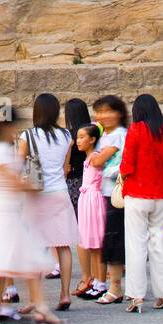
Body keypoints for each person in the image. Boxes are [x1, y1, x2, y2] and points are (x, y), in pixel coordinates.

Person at [0, 106, 60, 324]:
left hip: (7, 212)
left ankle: (40, 307)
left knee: (28, 260)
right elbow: (10, 180)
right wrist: (31, 187)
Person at [19, 93, 79, 310]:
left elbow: (19, 165)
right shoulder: (66, 136)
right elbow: (65, 168)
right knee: (63, 246)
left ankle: (35, 298)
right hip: (59, 192)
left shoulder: (28, 136)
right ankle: (65, 294)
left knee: (35, 246)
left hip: (37, 195)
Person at [120, 94, 163, 312]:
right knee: (160, 244)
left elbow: (127, 165)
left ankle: (136, 295)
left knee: (136, 245)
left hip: (137, 192)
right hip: (161, 192)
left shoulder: (136, 129)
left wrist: (123, 178)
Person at [88, 95, 128, 303]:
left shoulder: (119, 135)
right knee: (112, 240)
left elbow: (97, 160)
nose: (102, 116)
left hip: (116, 194)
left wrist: (96, 157)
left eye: (107, 111)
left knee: (114, 240)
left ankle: (115, 288)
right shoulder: (106, 135)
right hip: (106, 191)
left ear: (119, 113)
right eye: (99, 111)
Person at [65, 97, 92, 294]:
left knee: (80, 230)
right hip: (90, 180)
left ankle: (87, 275)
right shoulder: (92, 134)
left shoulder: (71, 138)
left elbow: (65, 167)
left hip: (74, 183)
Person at [75, 123, 106, 295]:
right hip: (86, 200)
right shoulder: (88, 159)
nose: (78, 141)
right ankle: (96, 280)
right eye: (78, 137)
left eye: (82, 137)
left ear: (93, 139)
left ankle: (101, 283)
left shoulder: (95, 158)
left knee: (97, 245)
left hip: (93, 201)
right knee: (92, 245)